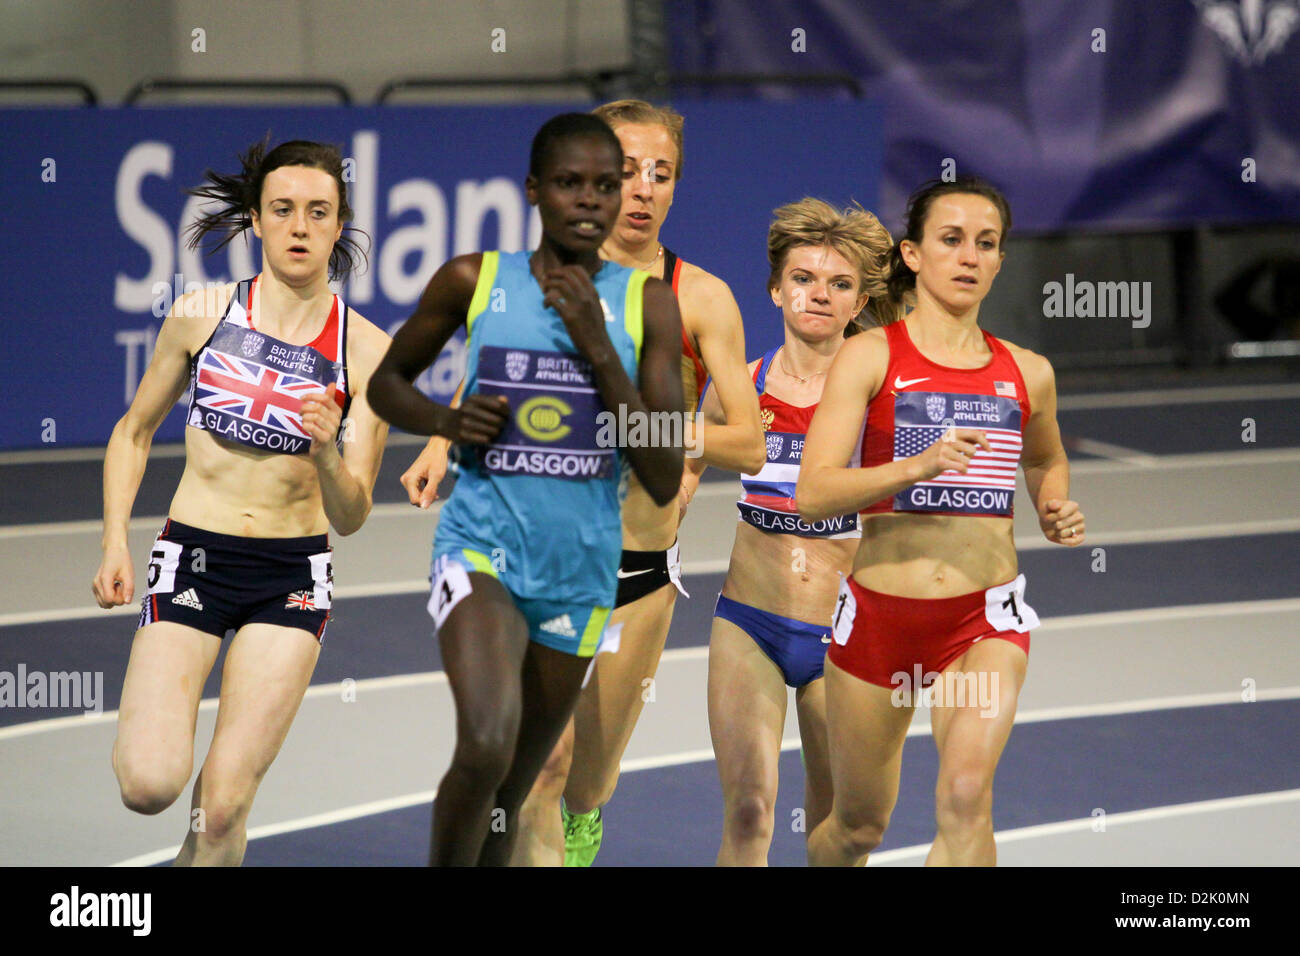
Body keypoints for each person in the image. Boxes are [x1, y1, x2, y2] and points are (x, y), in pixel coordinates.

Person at [400, 100, 764, 866]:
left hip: (633, 568)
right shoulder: (528, 281)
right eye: (626, 171)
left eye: (660, 174)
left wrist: (656, 434)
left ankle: (581, 832)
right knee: (538, 767)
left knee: (587, 784)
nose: (641, 190)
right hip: (528, 545)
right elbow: (495, 378)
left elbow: (751, 441)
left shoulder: (696, 298)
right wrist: (443, 435)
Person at [92, 139, 391, 866]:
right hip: (192, 560)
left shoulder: (368, 352)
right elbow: (133, 432)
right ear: (256, 220)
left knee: (222, 808)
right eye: (283, 210)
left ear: (339, 223)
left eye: (318, 213)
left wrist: (325, 451)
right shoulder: (200, 316)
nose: (299, 227)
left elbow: (352, 517)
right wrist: (114, 541)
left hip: (290, 578)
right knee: (149, 782)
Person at [796, 176, 1086, 866]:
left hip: (982, 620)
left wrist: (1053, 505)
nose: (969, 257)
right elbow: (813, 492)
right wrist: (912, 468)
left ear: (999, 260)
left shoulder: (1028, 371)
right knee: (857, 829)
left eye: (986, 244)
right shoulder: (870, 357)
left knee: (965, 800)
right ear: (914, 254)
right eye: (951, 240)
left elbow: (1047, 459)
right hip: (880, 620)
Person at [690, 199, 900, 865]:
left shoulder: (881, 397)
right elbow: (681, 481)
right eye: (804, 278)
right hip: (748, 620)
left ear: (861, 299)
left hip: (843, 633)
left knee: (837, 827)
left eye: (840, 284)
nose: (820, 294)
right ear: (776, 288)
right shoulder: (739, 388)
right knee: (749, 811)